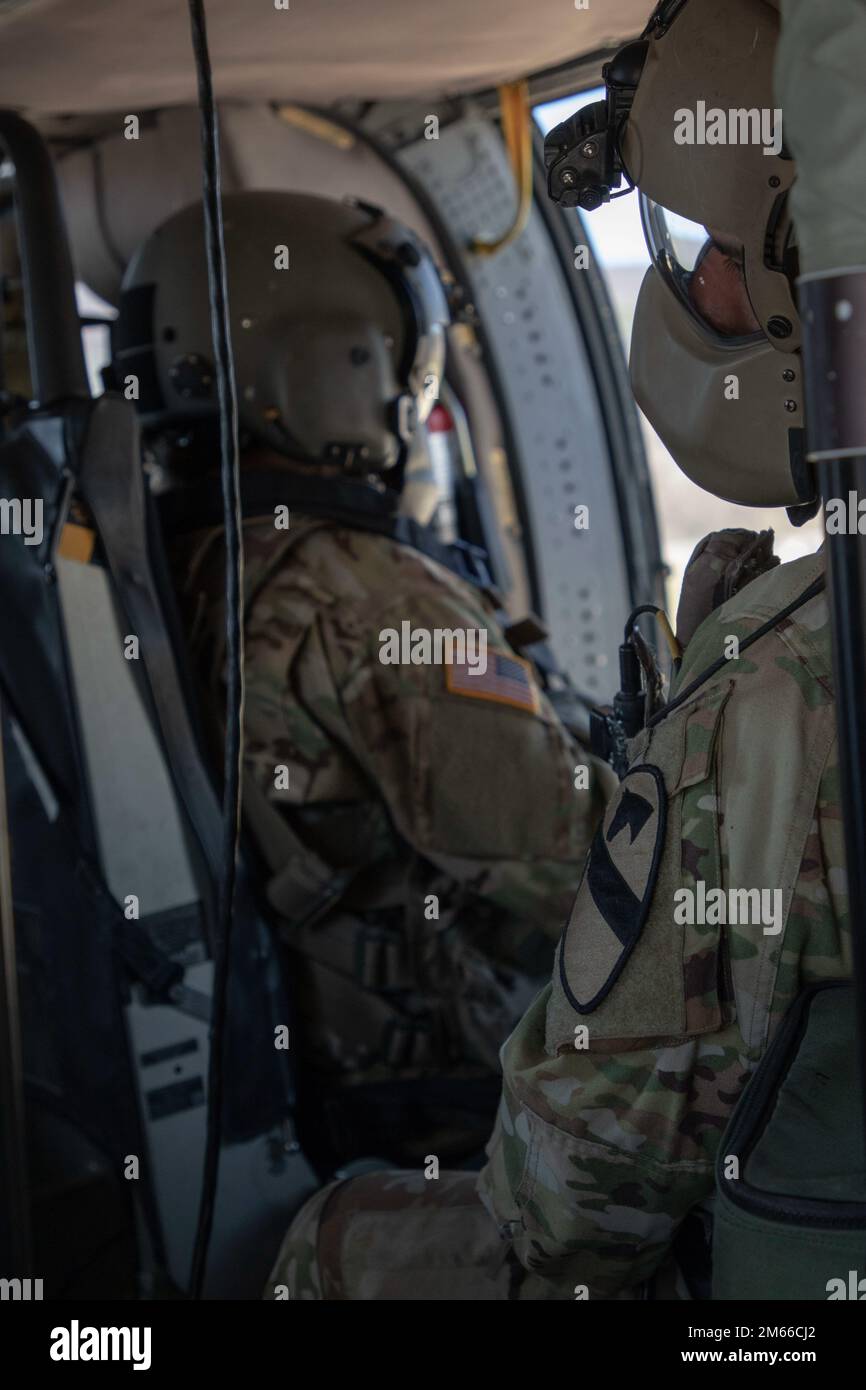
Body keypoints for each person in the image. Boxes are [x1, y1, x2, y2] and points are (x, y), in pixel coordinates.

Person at [267, 0, 851, 1298]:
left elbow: (567, 1207)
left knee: (317, 1249)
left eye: (707, 246)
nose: (694, 287)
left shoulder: (780, 688)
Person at [110, 189, 608, 1171]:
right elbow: (587, 874)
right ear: (329, 362)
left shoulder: (167, 568)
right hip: (446, 1109)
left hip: (298, 1087)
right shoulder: (366, 597)